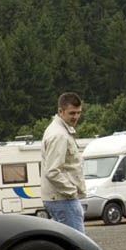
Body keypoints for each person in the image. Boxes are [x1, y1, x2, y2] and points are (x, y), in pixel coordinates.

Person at [41, 92, 86, 233]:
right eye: (72, 113)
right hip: (63, 199)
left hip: (59, 198)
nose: (76, 117)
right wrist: (71, 191)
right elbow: (52, 171)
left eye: (78, 113)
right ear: (60, 111)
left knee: (63, 244)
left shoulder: (60, 131)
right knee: (77, 245)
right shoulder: (59, 135)